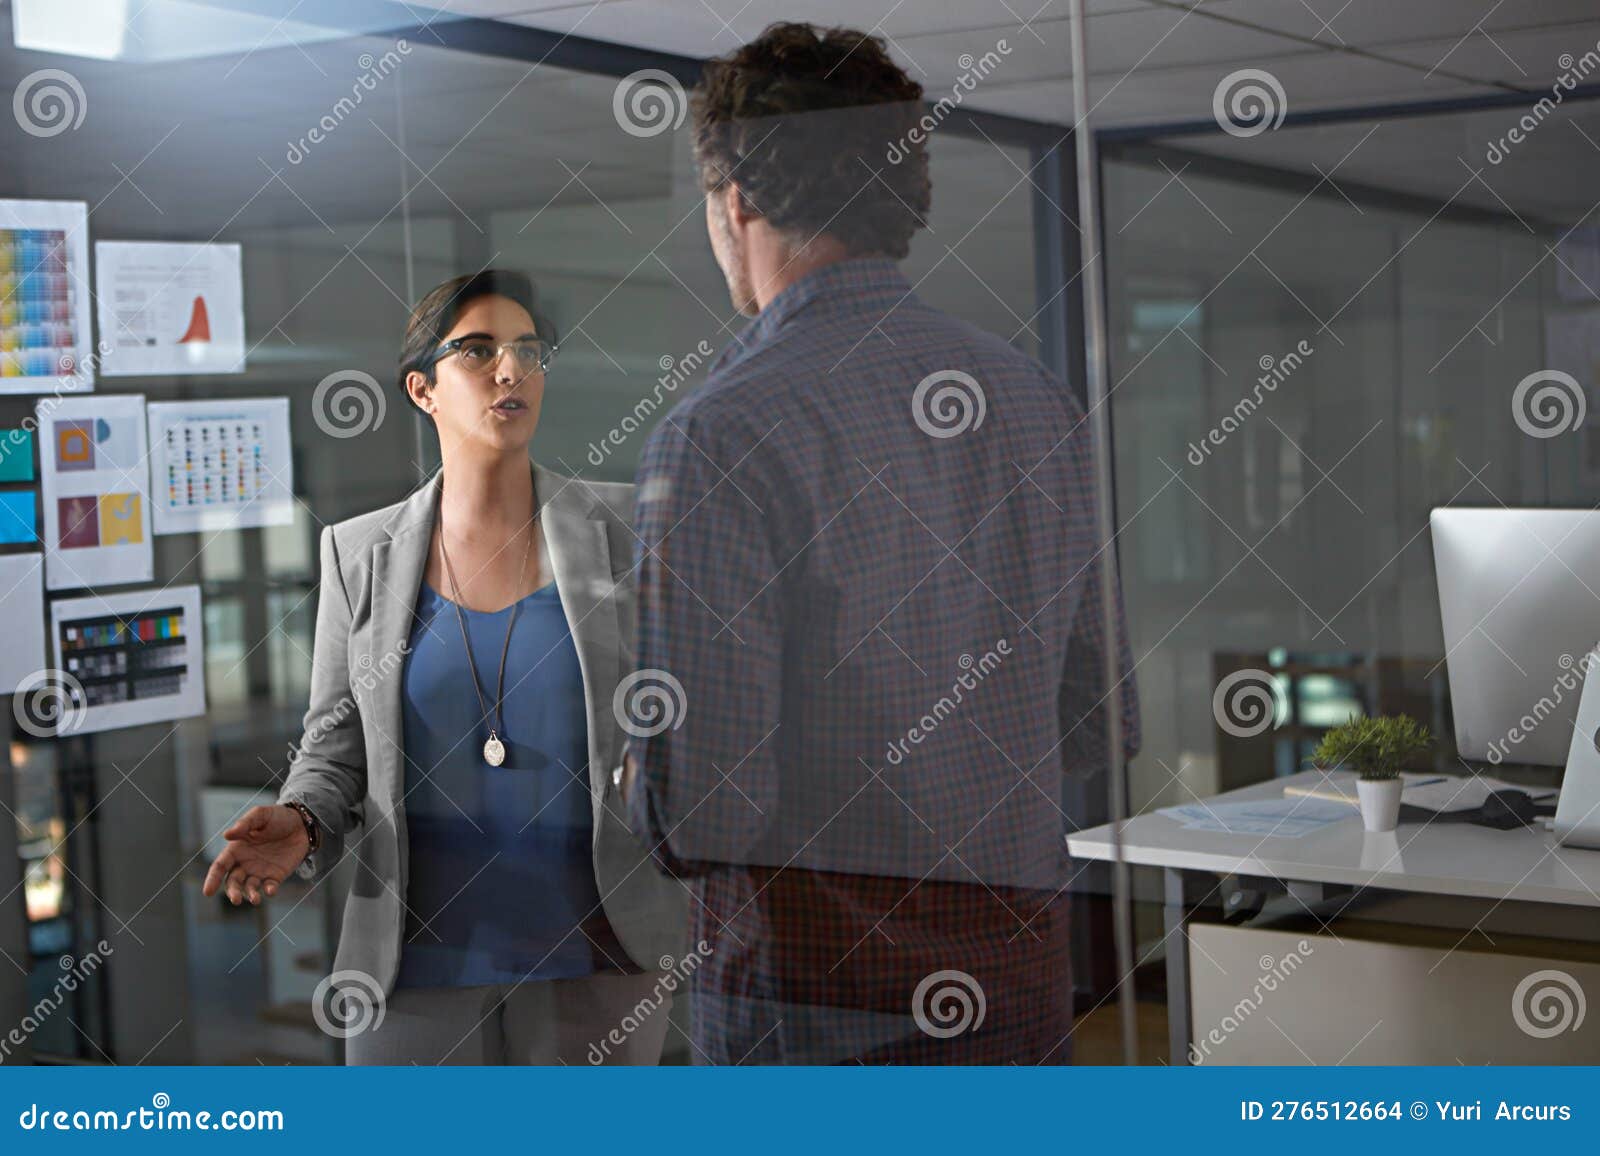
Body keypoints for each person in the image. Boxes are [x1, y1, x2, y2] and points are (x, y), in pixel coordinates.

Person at [617, 23, 1140, 1064]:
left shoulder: (720, 431)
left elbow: (704, 815)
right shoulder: (1037, 402)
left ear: (736, 204)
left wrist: (636, 768)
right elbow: (1097, 722)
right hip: (1020, 992)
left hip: (821, 1021)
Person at [204, 270, 685, 1065]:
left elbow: (687, 708)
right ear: (422, 388)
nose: (510, 371)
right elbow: (335, 748)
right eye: (478, 351)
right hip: (411, 968)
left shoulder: (627, 529)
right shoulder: (357, 554)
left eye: (529, 351)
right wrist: (302, 819)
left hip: (598, 958)